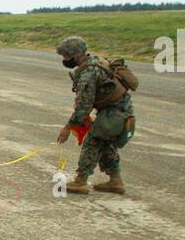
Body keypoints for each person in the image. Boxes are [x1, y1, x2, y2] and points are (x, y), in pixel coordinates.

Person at [54, 36, 135, 195]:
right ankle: (115, 181)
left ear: (75, 55)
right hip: (120, 111)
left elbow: (83, 107)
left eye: (66, 56)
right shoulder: (95, 62)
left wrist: (67, 128)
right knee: (105, 143)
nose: (64, 59)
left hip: (115, 113)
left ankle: (81, 182)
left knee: (93, 141)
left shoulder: (88, 74)